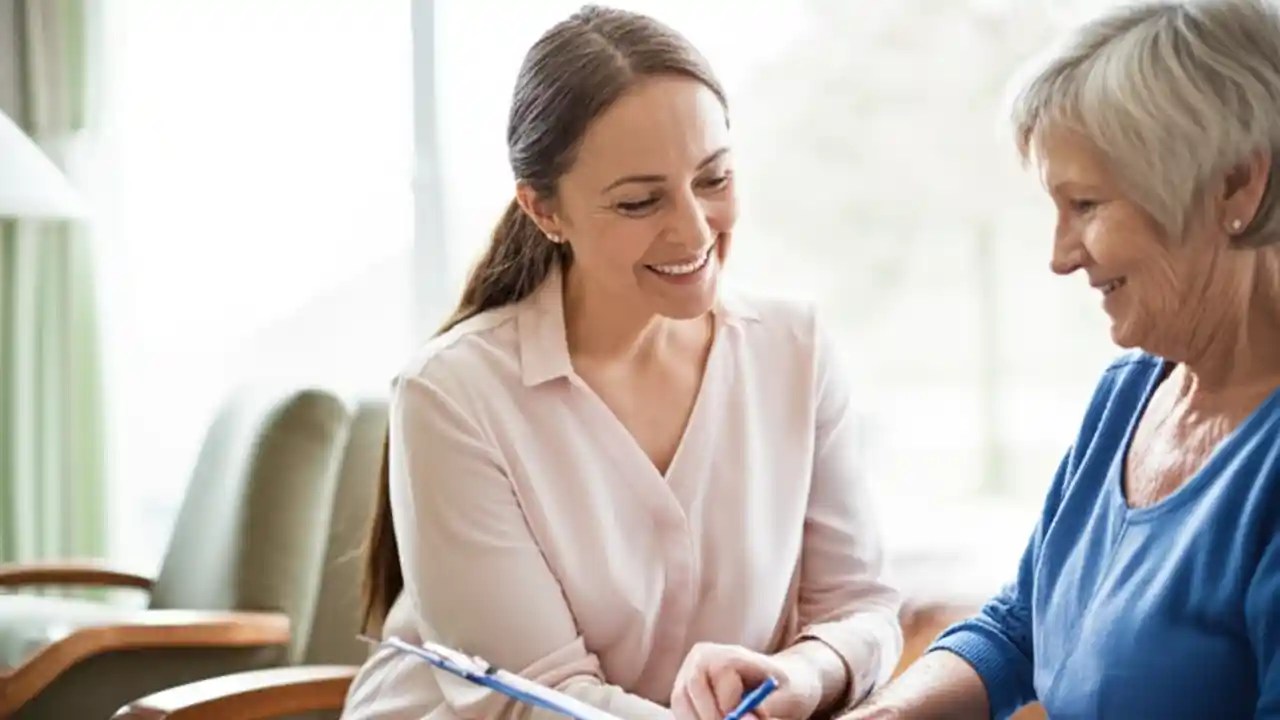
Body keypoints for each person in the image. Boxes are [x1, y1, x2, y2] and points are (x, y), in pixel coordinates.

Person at [342, 6, 902, 719]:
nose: (693, 231)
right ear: (545, 211)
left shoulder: (795, 349)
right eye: (639, 202)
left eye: (714, 179)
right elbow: (533, 697)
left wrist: (804, 676)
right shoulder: (452, 394)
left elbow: (859, 607)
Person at [841, 1, 1280, 718]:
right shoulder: (1130, 394)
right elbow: (1019, 628)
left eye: (1086, 205)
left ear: (1236, 184)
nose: (1060, 255)